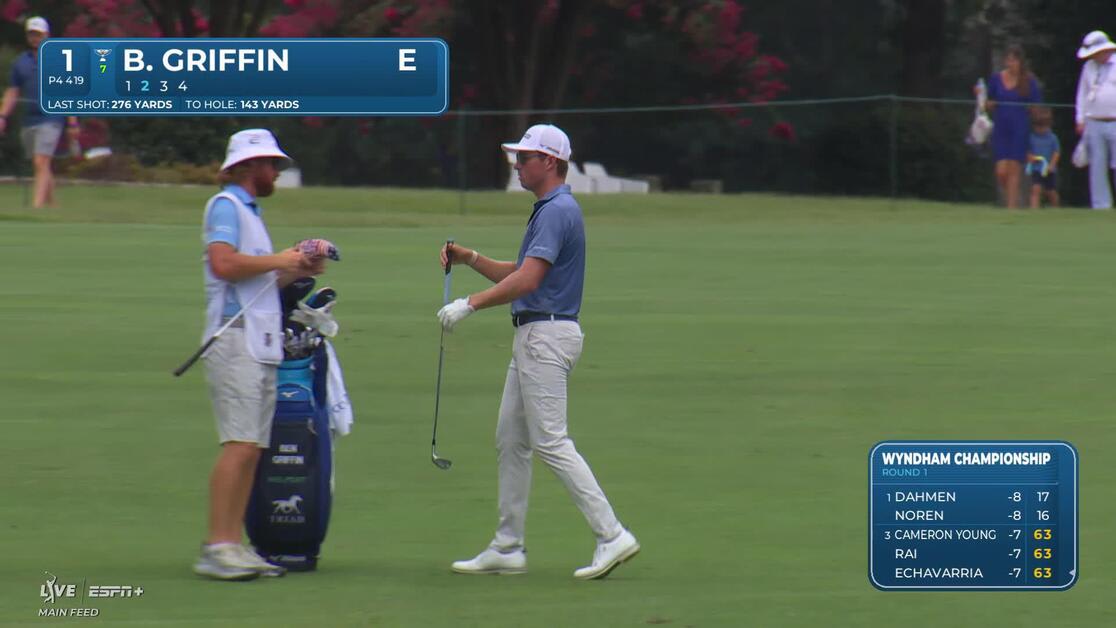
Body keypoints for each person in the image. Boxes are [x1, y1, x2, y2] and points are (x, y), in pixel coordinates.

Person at [436, 124, 640, 580]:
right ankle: (508, 546)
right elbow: (521, 271)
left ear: (549, 162)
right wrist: (470, 258)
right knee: (511, 439)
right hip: (536, 335)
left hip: (545, 336)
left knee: (550, 441)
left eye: (525, 157)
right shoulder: (549, 208)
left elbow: (526, 283)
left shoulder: (556, 210)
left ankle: (612, 535)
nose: (517, 164)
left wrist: (468, 304)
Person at [193, 129, 323, 581]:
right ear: (247, 166)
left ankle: (233, 543)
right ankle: (217, 546)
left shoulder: (251, 213)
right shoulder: (226, 206)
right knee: (240, 444)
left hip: (259, 341)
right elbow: (223, 264)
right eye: (270, 164)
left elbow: (260, 284)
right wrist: (281, 259)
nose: (276, 172)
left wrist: (296, 267)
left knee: (252, 448)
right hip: (234, 339)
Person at [0, 17, 79, 208]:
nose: (35, 38)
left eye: (38, 34)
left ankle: (37, 206)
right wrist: (2, 116)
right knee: (41, 164)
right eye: (32, 34)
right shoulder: (21, 62)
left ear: (47, 35)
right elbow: (13, 91)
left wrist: (72, 122)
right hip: (30, 119)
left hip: (52, 118)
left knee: (40, 160)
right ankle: (53, 205)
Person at [986, 45, 1043, 209]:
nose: (1011, 63)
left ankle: (1011, 209)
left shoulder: (1028, 80)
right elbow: (988, 102)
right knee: (1001, 171)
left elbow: (1036, 105)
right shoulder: (996, 79)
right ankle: (1012, 198)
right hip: (1001, 127)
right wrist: (988, 103)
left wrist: (1032, 109)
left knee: (1014, 169)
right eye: (1008, 60)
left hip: (1020, 127)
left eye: (1014, 60)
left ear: (1020, 62)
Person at [1074, 30, 1116, 209]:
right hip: (1094, 122)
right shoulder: (1088, 67)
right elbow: (1082, 94)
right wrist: (1080, 119)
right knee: (1097, 167)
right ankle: (1101, 205)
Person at [1026, 107, 1060, 209]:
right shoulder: (1031, 137)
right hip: (1036, 169)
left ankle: (1056, 208)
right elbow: (1028, 151)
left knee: (1051, 191)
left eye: (1043, 127)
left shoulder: (1052, 138)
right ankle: (1034, 210)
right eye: (1038, 127)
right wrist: (1030, 157)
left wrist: (1052, 164)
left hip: (1049, 170)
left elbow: (1056, 152)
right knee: (1035, 189)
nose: (1040, 130)